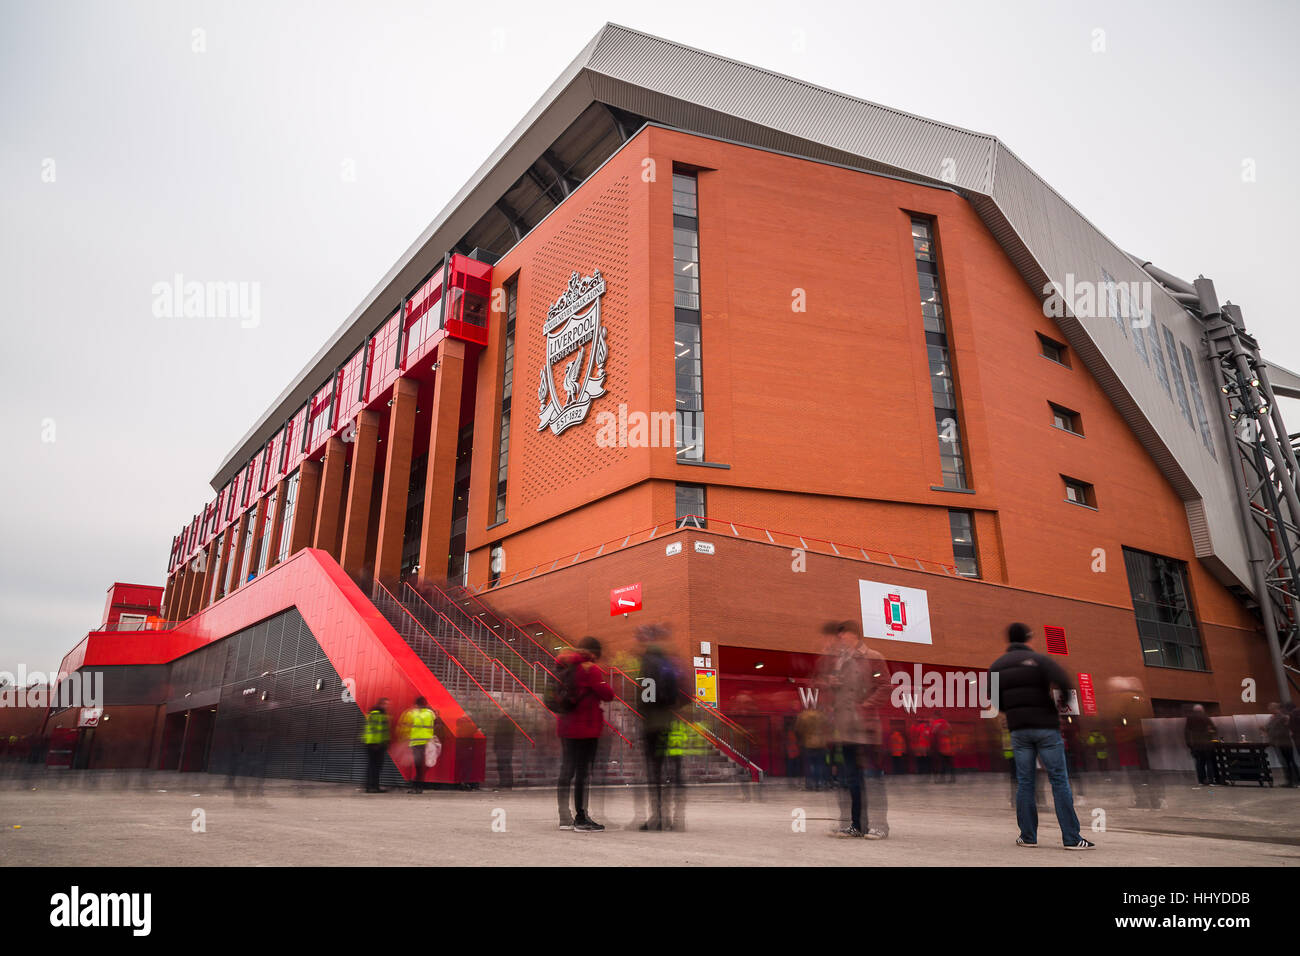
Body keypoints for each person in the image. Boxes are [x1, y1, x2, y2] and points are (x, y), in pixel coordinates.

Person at [990, 622, 1093, 850]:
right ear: (1027, 639)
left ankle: (1028, 836)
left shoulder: (996, 666)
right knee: (1059, 779)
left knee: (1025, 782)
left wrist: (1014, 712)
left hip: (1019, 731)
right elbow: (1065, 683)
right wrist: (1059, 708)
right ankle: (1072, 838)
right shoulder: (1041, 661)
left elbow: (993, 698)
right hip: (1046, 728)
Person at [818, 621, 885, 839]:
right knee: (851, 779)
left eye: (844, 635)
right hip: (846, 730)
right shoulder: (840, 660)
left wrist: (866, 705)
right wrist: (832, 683)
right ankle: (856, 825)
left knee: (872, 778)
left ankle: (879, 825)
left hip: (865, 729)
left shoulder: (873, 656)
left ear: (854, 635)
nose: (841, 640)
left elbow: (886, 685)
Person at [554, 636, 615, 831]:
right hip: (586, 728)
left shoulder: (563, 666)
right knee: (582, 773)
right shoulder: (590, 669)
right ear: (594, 652)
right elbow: (608, 695)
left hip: (565, 725)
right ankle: (581, 817)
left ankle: (564, 816)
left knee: (567, 770)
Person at [634, 624, 680, 831]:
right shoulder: (667, 661)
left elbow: (646, 694)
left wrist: (643, 712)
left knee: (655, 772)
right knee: (668, 771)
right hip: (668, 722)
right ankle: (668, 817)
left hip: (652, 724)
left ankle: (657, 817)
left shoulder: (648, 662)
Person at [398, 697, 438, 794]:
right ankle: (419, 787)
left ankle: (417, 788)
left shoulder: (412, 713)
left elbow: (405, 727)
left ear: (416, 704)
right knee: (422, 766)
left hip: (416, 743)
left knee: (418, 766)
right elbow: (436, 723)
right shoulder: (430, 713)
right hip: (427, 742)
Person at [795, 704, 829, 790]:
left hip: (808, 743)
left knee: (808, 765)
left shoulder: (803, 716)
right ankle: (818, 783)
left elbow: (798, 729)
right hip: (821, 743)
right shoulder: (822, 716)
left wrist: (801, 739)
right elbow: (828, 727)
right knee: (819, 764)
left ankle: (809, 784)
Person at [1184, 704, 1219, 786]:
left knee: (1199, 762)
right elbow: (1214, 729)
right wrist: (1210, 733)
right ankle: (1211, 780)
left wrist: (1189, 743)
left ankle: (1201, 780)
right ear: (1202, 710)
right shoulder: (1205, 717)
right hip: (1206, 743)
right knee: (1209, 761)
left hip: (1196, 744)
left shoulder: (1190, 719)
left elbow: (1186, 732)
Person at [361, 697, 390, 794]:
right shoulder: (376, 714)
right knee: (374, 766)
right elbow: (373, 730)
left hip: (378, 744)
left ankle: (373, 786)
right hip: (374, 744)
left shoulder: (380, 714)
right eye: (386, 704)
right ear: (381, 704)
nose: (387, 706)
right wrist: (376, 743)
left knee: (375, 766)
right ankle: (371, 787)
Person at [1266, 703, 1297, 787]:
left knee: (1289, 762)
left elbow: (1286, 728)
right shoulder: (1272, 718)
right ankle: (1289, 780)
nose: (1269, 708)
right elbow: (1270, 729)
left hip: (1285, 743)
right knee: (1284, 762)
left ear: (1275, 708)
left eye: (1270, 707)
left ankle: (1294, 781)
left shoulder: (1282, 717)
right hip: (1278, 743)